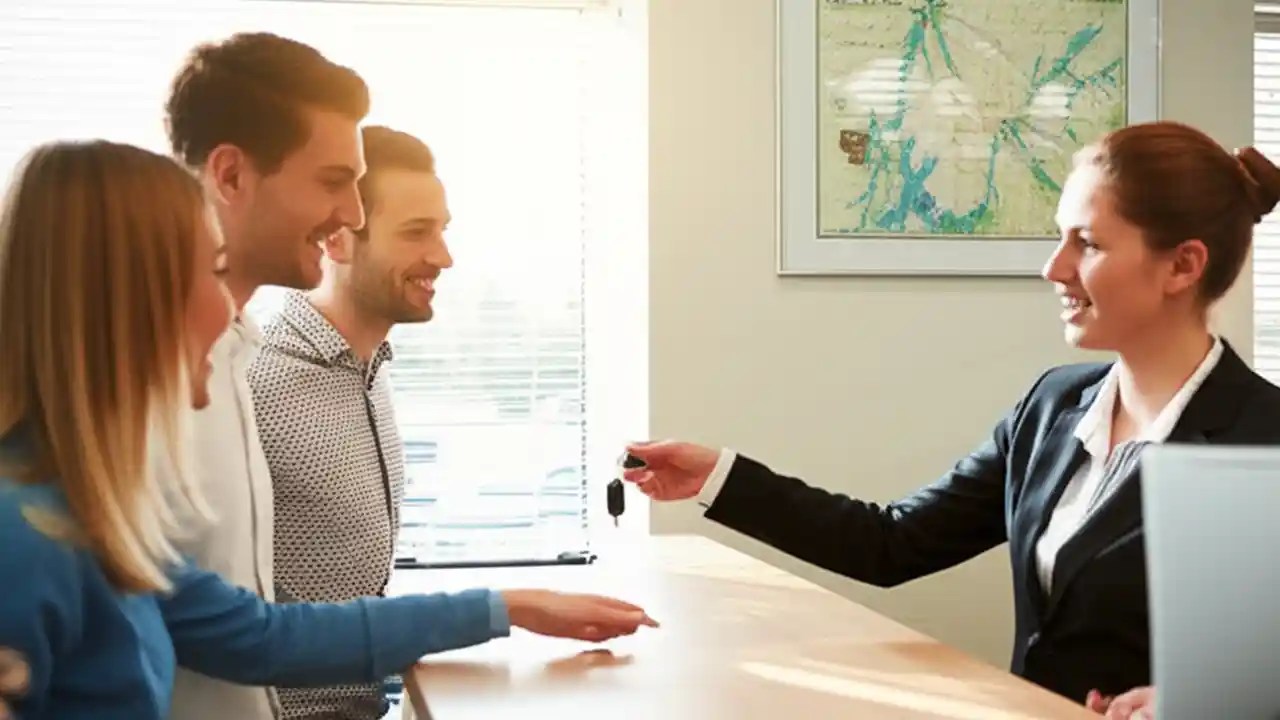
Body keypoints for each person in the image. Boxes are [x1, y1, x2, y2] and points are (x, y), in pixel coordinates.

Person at [622, 121, 1280, 704]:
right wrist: (718, 475)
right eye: (1059, 239)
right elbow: (893, 543)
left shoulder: (1263, 440)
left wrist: (1201, 700)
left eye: (1087, 244)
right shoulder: (1052, 407)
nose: (1054, 268)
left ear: (1182, 266)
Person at [0, 140, 656, 720]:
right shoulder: (24, 538)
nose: (229, 309)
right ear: (130, 300)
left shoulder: (96, 512)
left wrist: (510, 606)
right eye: (212, 270)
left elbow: (259, 636)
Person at [162, 33, 654, 719]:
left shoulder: (281, 360)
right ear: (231, 176)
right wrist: (506, 607)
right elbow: (242, 634)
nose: (350, 214)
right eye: (332, 183)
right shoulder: (210, 381)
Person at [246, 126, 451, 719]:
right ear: (337, 239)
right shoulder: (255, 385)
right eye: (416, 232)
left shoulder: (370, 372)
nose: (443, 257)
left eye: (442, 230)